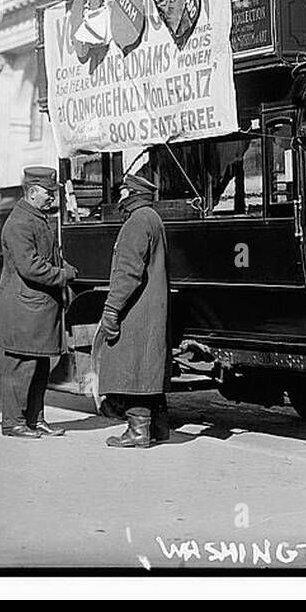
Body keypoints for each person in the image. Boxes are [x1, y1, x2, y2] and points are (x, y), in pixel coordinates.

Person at [0, 166, 79, 439]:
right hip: (25, 310)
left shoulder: (36, 219)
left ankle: (34, 420)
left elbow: (48, 257)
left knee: (38, 366)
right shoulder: (20, 223)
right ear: (32, 192)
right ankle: (13, 423)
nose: (53, 198)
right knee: (21, 367)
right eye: (49, 193)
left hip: (35, 309)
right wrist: (62, 275)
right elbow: (31, 267)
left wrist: (65, 266)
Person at [97, 172, 171, 448]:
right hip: (152, 307)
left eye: (122, 193)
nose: (119, 198)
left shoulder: (136, 223)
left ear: (130, 194)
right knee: (148, 366)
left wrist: (112, 308)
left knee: (133, 366)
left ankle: (137, 432)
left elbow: (127, 273)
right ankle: (158, 428)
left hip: (136, 309)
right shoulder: (153, 218)